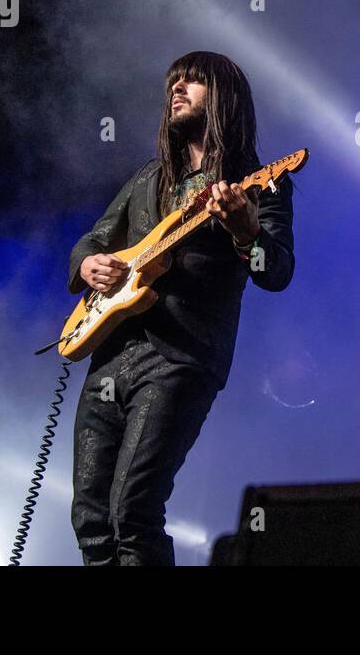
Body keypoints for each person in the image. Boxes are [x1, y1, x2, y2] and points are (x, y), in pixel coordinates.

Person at [68, 50, 295, 564]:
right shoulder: (148, 179)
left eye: (192, 82)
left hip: (180, 357)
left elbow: (275, 270)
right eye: (174, 82)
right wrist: (88, 266)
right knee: (90, 515)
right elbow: (93, 239)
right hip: (111, 352)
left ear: (224, 97)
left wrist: (246, 232)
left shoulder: (260, 182)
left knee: (133, 509)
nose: (176, 90)